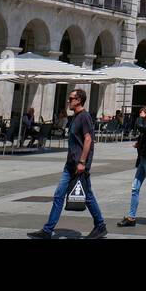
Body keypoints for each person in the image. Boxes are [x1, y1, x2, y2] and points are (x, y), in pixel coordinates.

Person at [29, 89, 107, 239]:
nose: (68, 101)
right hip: (70, 164)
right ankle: (48, 230)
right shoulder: (76, 117)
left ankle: (100, 225)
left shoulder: (84, 117)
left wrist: (82, 162)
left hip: (79, 165)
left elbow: (88, 139)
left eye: (71, 98)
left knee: (87, 196)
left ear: (79, 100)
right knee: (60, 195)